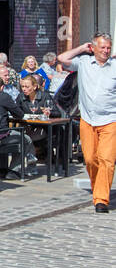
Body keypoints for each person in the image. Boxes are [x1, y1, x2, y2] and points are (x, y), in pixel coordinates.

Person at [57, 34, 116, 213]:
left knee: (107, 160)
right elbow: (62, 59)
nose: (106, 51)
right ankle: (98, 188)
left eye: (108, 48)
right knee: (90, 159)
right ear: (94, 48)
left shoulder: (114, 66)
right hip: (88, 120)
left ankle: (101, 199)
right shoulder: (83, 62)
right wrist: (82, 48)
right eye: (103, 47)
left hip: (110, 120)